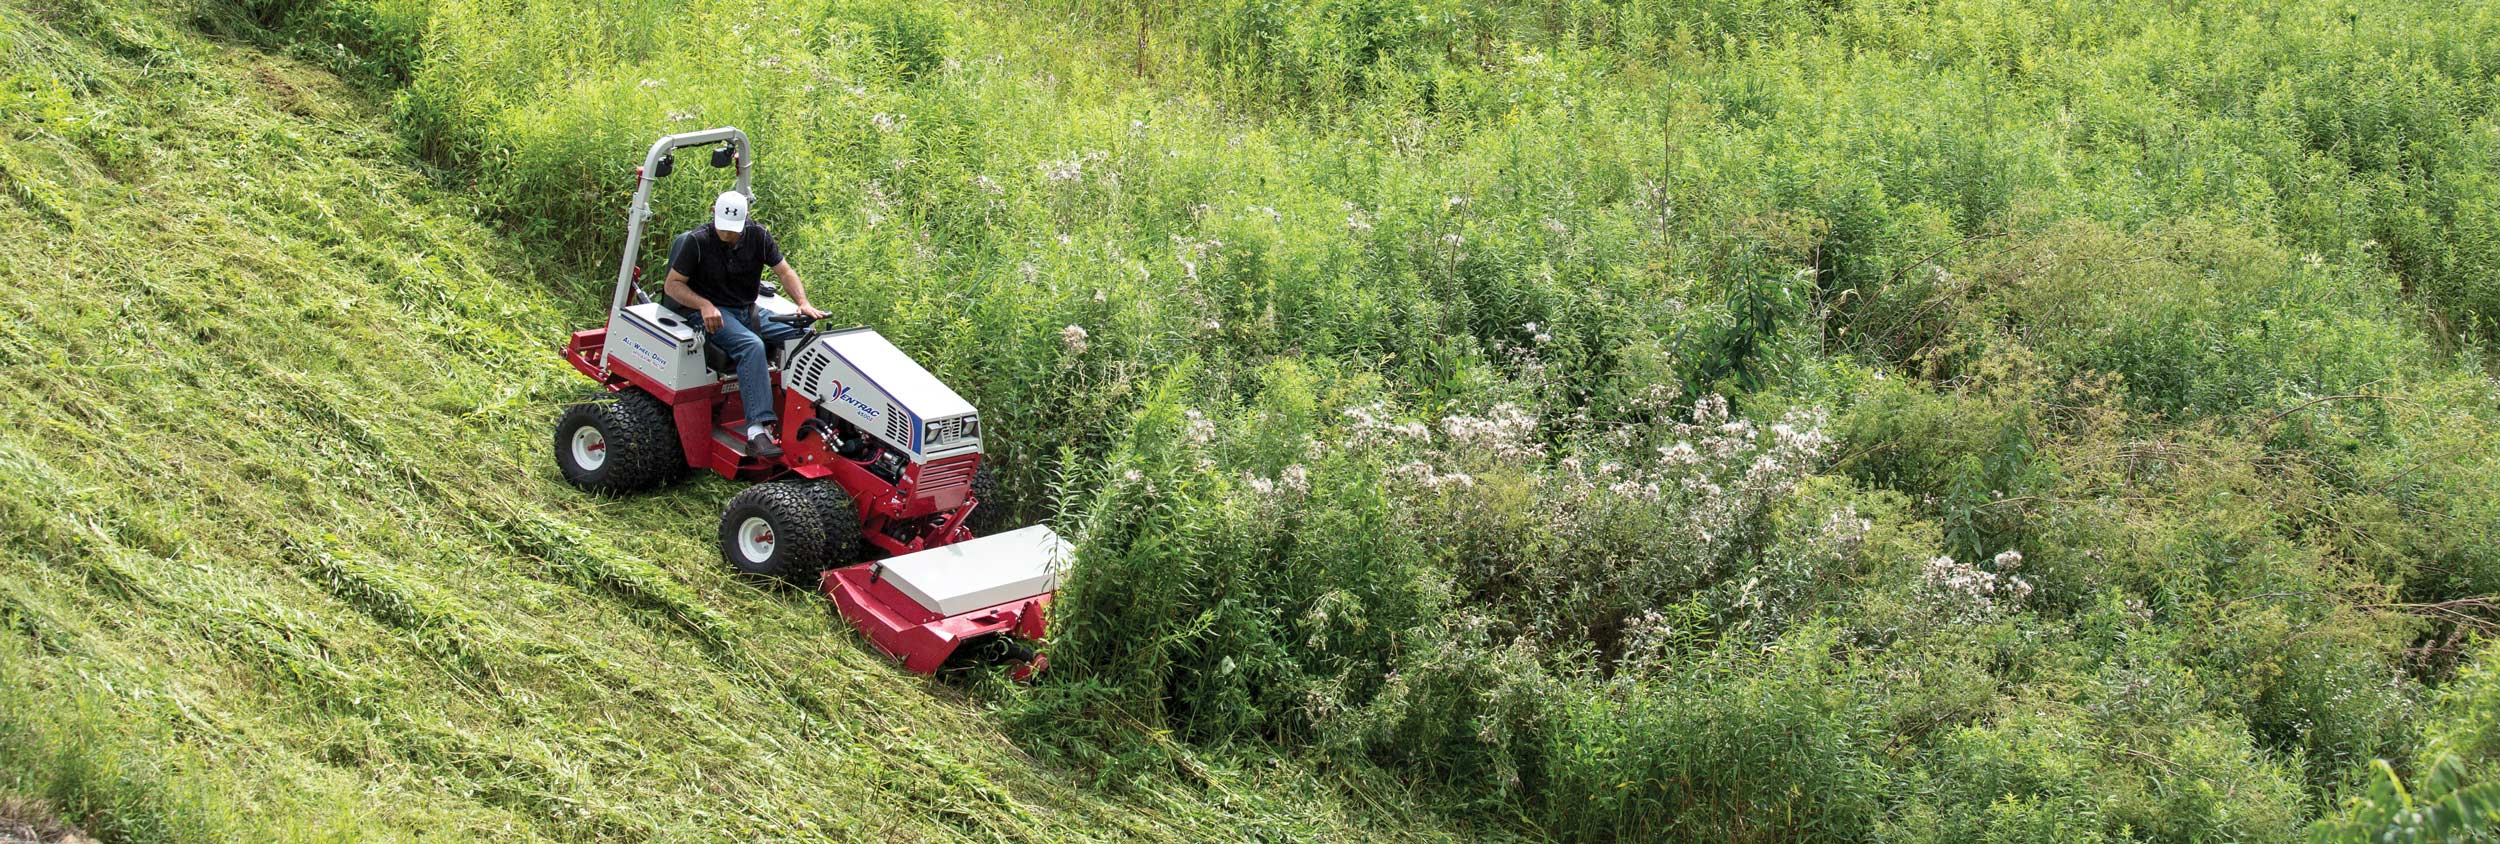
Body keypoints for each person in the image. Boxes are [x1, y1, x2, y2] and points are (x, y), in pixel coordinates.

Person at [662, 190, 828, 457]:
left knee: (805, 333)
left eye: (733, 230)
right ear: (714, 214)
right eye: (723, 229)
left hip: (747, 310)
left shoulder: (759, 237)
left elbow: (784, 271)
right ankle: (756, 431)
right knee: (752, 346)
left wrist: (803, 303)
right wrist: (704, 305)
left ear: (745, 220)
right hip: (711, 313)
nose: (727, 235)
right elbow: (672, 286)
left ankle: (801, 411)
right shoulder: (697, 241)